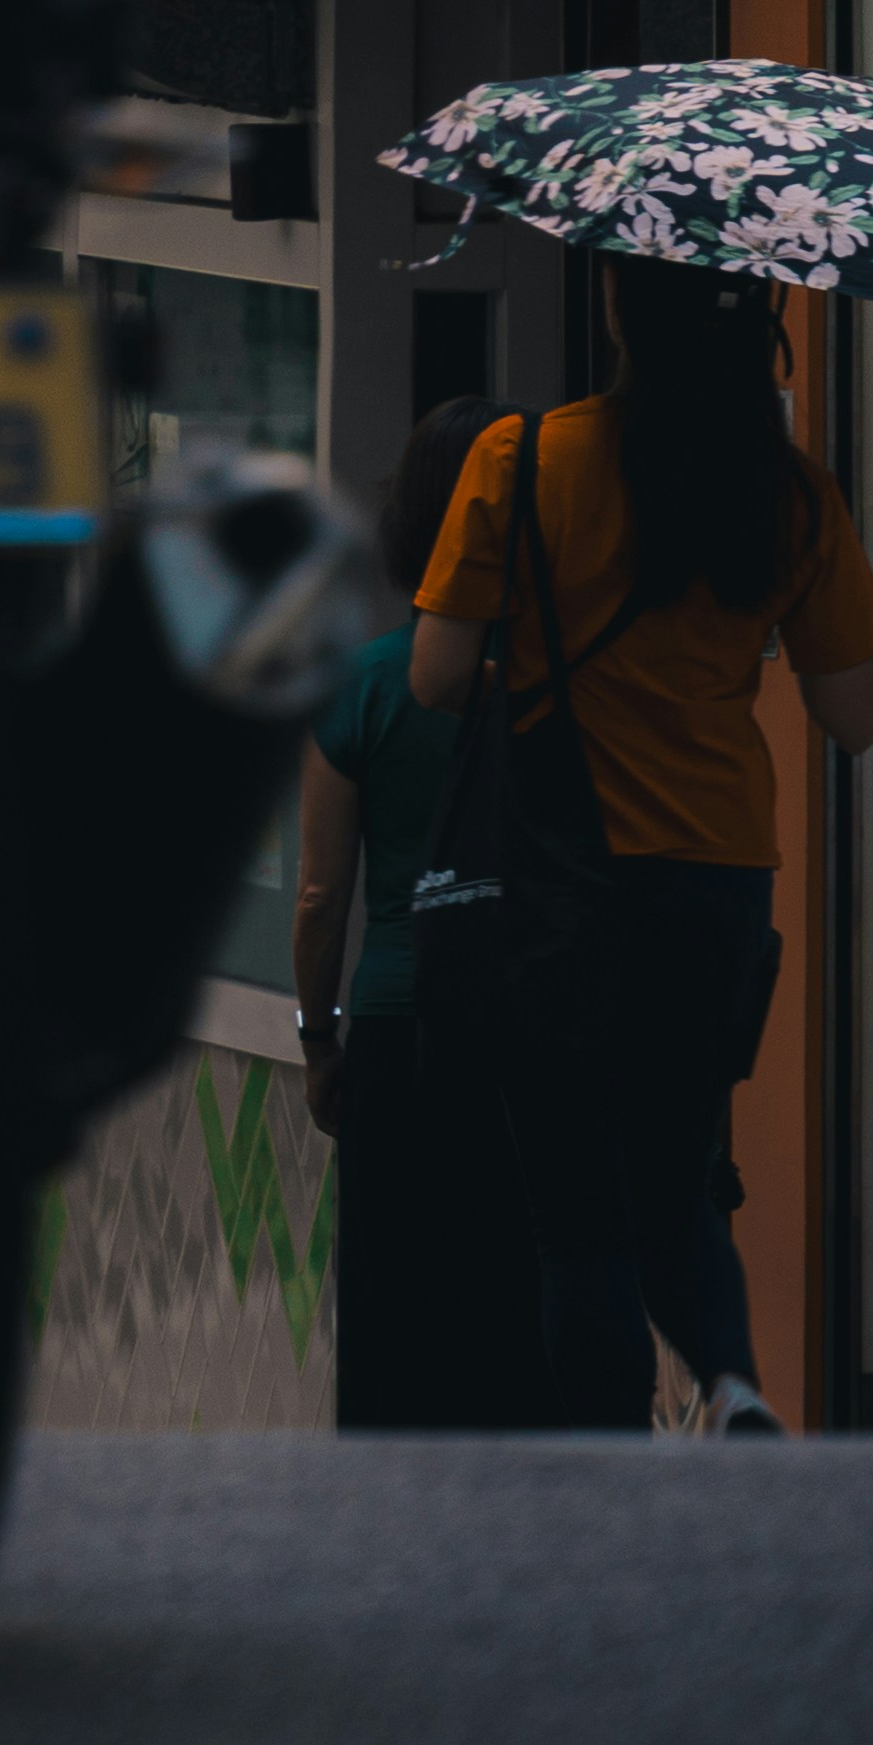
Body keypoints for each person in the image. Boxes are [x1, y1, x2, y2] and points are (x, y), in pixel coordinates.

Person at [400, 253, 873, 1435]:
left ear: (620, 309)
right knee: (676, 1175)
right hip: (717, 880)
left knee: (576, 1208)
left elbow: (432, 676)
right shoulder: (792, 495)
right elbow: (856, 716)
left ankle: (611, 1461)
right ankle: (730, 1385)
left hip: (556, 885)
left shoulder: (522, 462)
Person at [294, 398, 543, 1430]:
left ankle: (392, 1543)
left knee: (395, 1307)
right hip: (530, 1022)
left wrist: (319, 1039)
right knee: (514, 1296)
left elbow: (319, 895)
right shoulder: (556, 688)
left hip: (400, 1023)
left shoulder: (359, 687)